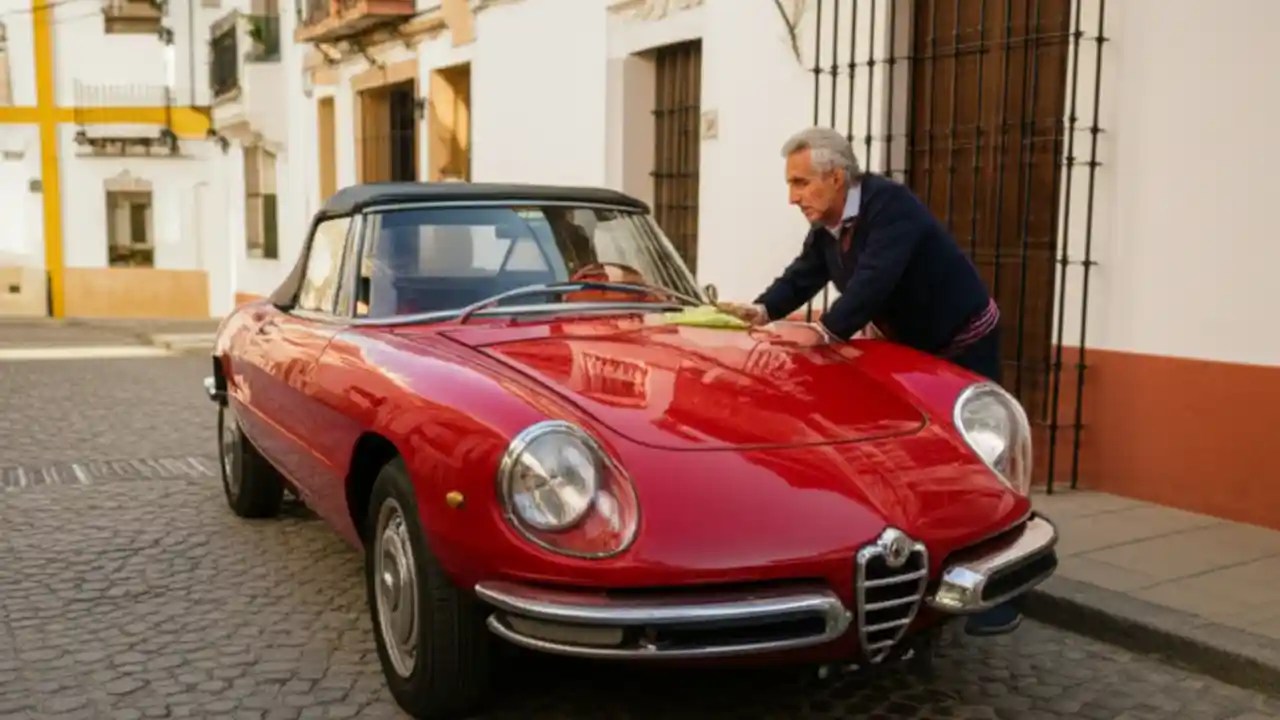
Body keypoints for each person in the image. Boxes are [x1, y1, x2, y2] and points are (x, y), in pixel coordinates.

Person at [719, 126, 1019, 637]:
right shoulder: (828, 224)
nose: (792, 197)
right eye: (790, 184)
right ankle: (923, 571)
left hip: (965, 342)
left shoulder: (890, 206)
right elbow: (804, 273)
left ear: (836, 177)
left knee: (981, 462)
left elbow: (874, 280)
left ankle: (1001, 594)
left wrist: (825, 333)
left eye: (800, 183)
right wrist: (762, 310)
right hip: (913, 353)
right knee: (920, 464)